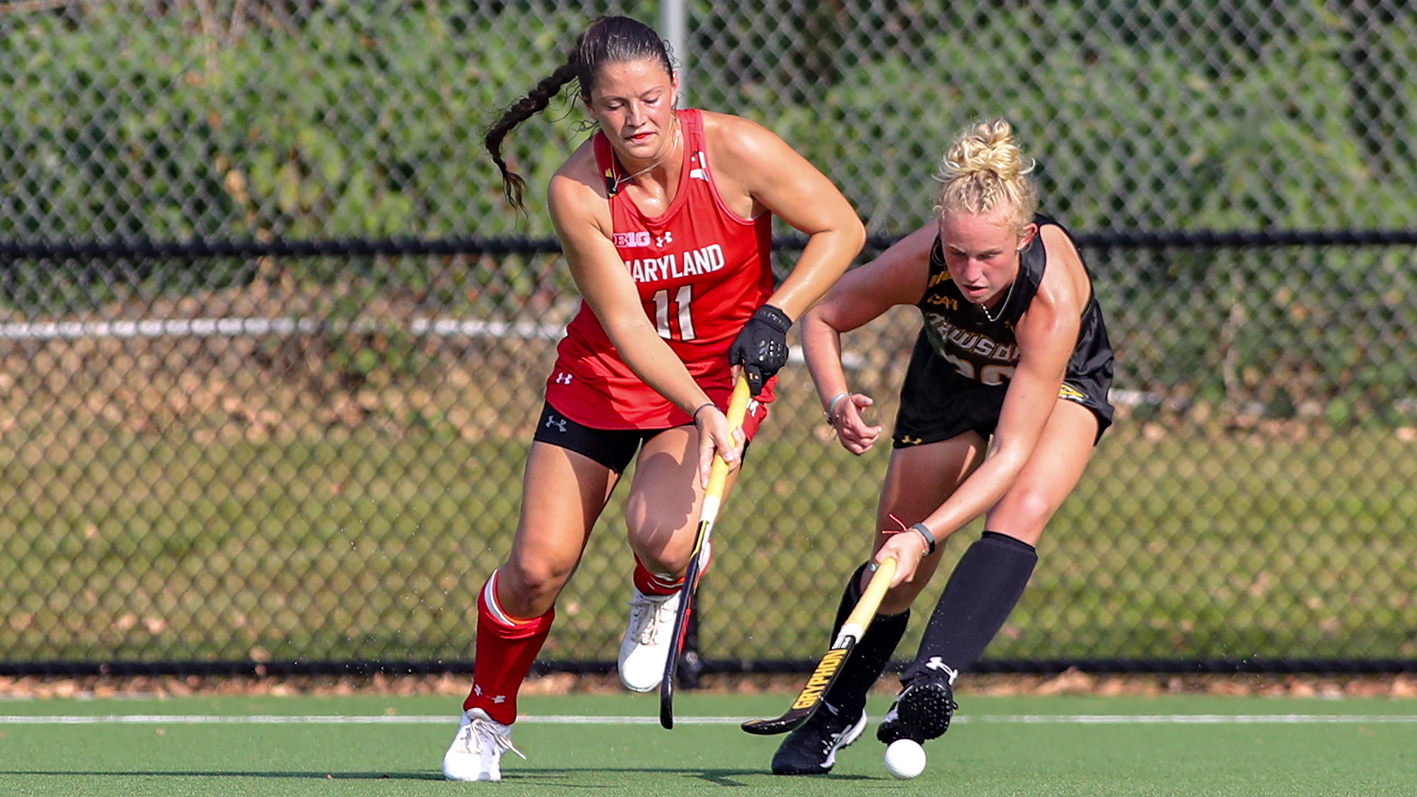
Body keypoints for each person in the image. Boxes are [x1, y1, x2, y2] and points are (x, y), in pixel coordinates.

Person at [442, 15, 865, 782]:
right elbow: (630, 330)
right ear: (590, 106)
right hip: (606, 374)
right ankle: (486, 714)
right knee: (537, 567)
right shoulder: (577, 192)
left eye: (649, 98)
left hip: (716, 376)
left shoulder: (736, 151)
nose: (636, 120)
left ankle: (658, 588)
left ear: (673, 86)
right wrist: (701, 412)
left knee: (665, 539)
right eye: (613, 105)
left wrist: (777, 313)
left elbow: (840, 227)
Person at [770, 119, 1114, 775]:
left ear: (1023, 237)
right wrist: (836, 398)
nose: (970, 272)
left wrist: (926, 531)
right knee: (892, 568)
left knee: (1023, 505)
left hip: (1056, 383)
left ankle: (930, 676)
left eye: (988, 257)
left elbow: (1010, 454)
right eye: (957, 254)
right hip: (949, 381)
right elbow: (822, 316)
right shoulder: (923, 258)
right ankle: (837, 711)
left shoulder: (1050, 297)